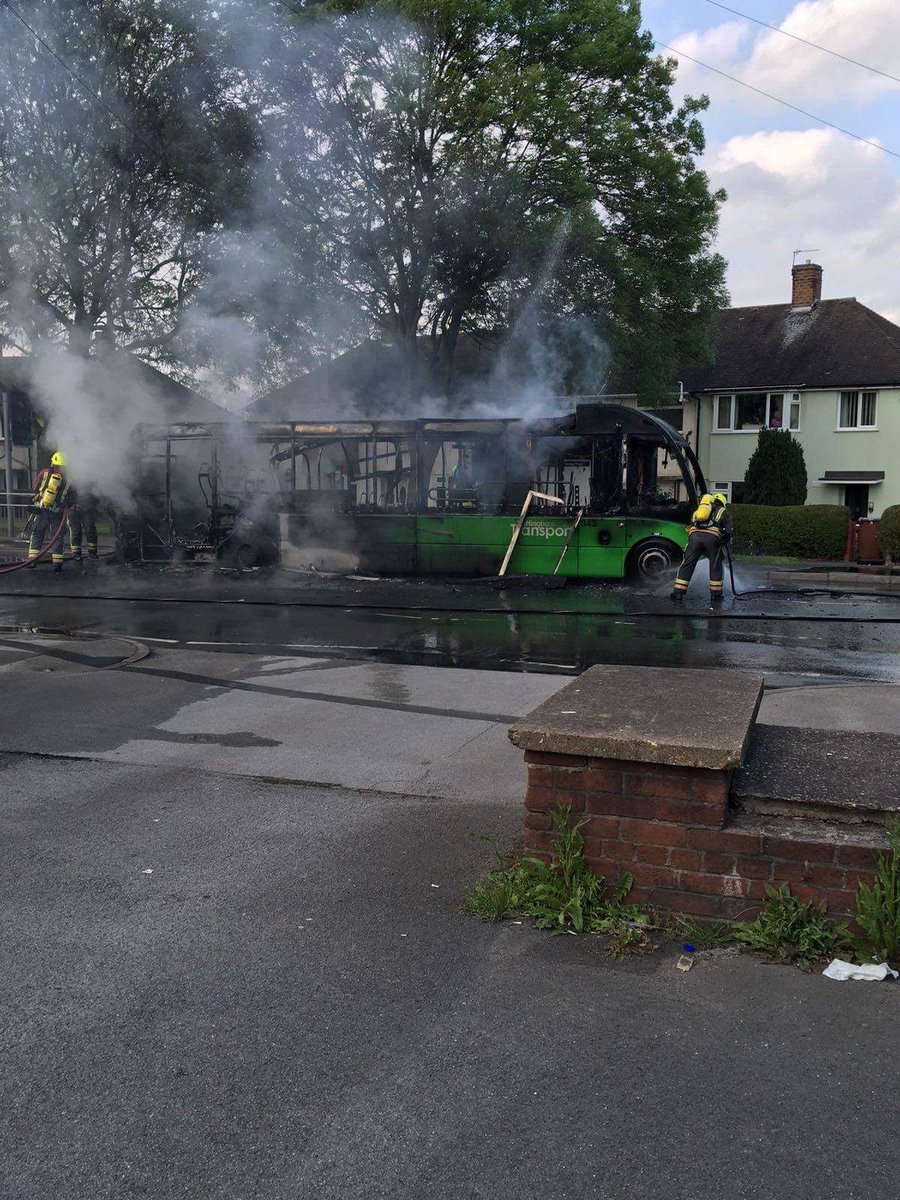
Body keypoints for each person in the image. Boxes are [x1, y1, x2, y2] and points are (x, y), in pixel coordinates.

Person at [671, 492, 732, 607]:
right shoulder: (724, 511)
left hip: (694, 538)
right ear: (723, 503)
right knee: (715, 565)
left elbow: (690, 526)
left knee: (687, 564)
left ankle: (678, 593)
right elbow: (728, 531)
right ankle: (716, 595)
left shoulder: (699, 512)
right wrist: (724, 540)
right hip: (712, 539)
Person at [28, 451, 71, 573]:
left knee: (37, 534)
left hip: (41, 510)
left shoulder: (44, 473)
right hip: (58, 512)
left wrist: (38, 499)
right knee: (57, 537)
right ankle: (57, 564)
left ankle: (32, 560)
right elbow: (72, 496)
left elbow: (35, 487)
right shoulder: (69, 479)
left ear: (53, 462)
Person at [67, 486, 100, 561]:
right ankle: (76, 553)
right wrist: (69, 504)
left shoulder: (88, 478)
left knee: (90, 530)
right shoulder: (69, 478)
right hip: (73, 508)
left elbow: (95, 491)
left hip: (88, 508)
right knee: (75, 531)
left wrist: (94, 504)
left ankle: (93, 553)